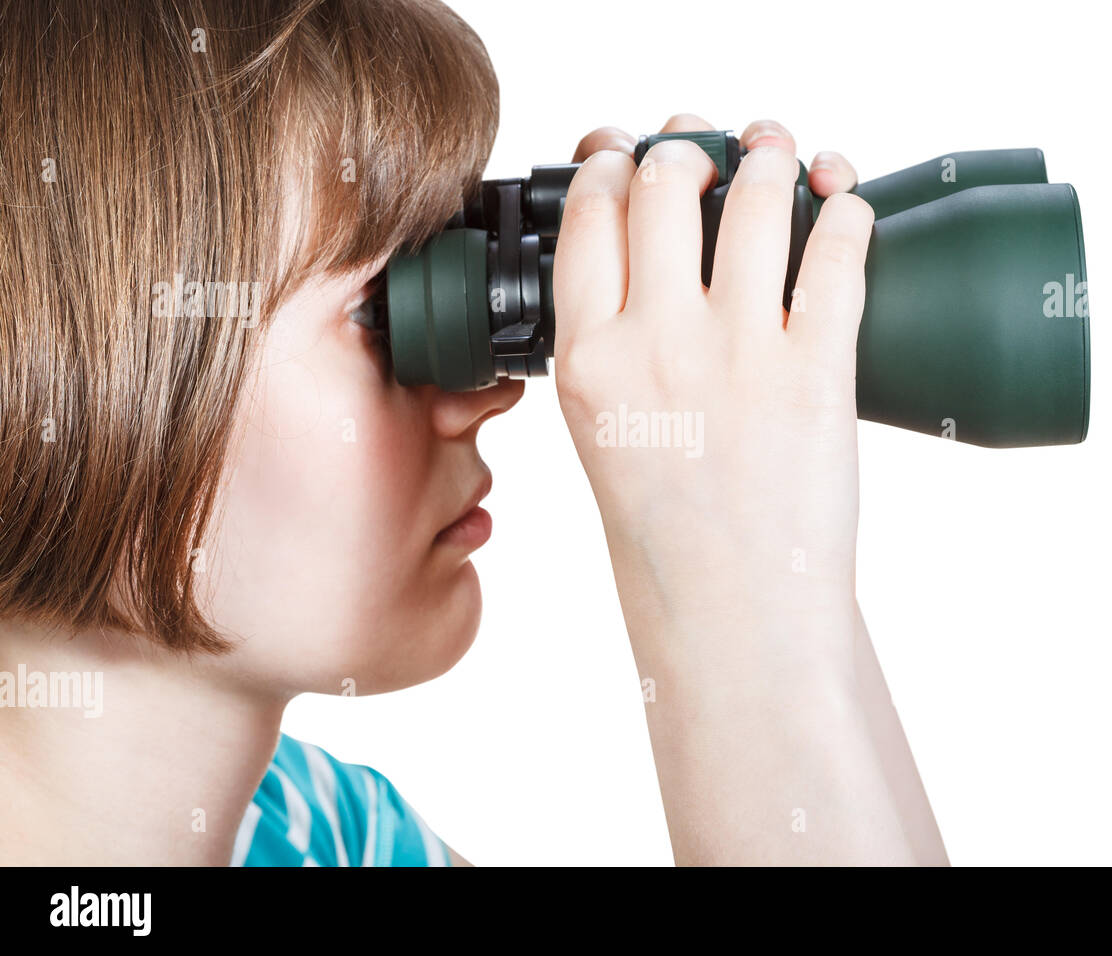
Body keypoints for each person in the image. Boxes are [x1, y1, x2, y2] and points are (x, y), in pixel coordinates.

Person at [0, 0, 946, 866]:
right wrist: (726, 600)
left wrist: (776, 565)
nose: (482, 397)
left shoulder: (337, 835)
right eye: (385, 309)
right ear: (79, 367)